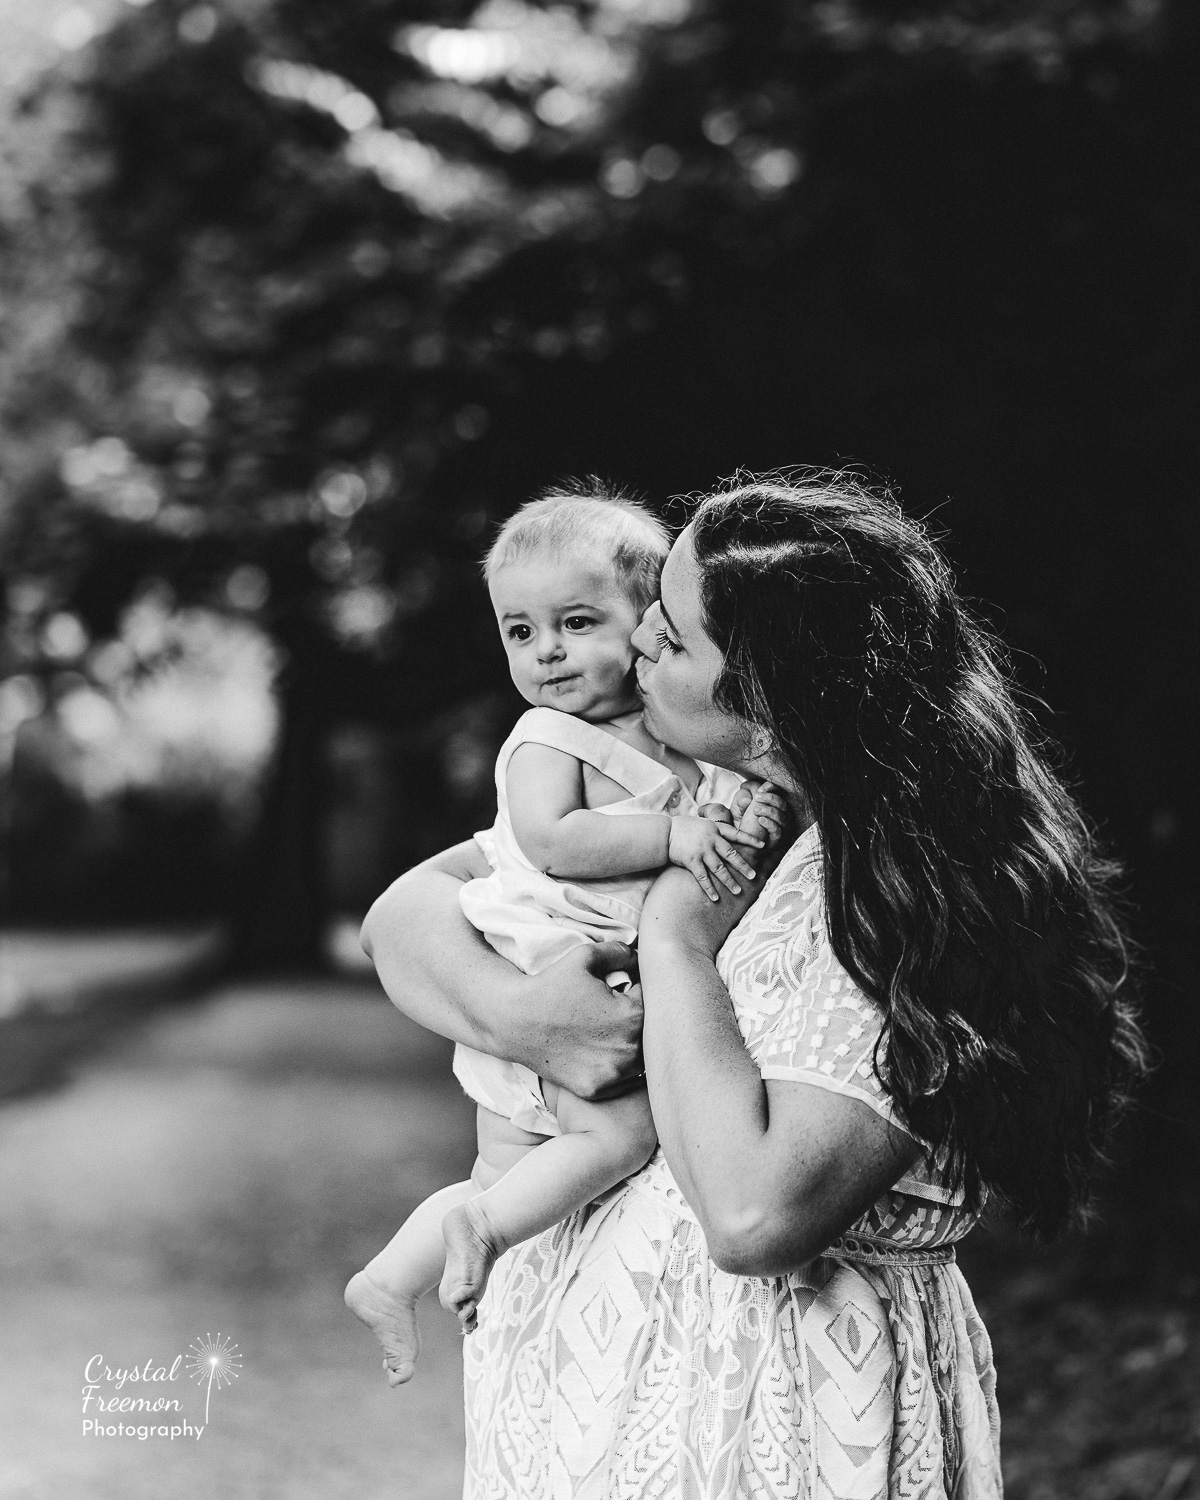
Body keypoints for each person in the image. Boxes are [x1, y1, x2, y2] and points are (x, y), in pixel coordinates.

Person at [362, 472, 1146, 1497]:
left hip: (777, 1414)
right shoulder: (697, 801)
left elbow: (755, 1217)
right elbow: (403, 916)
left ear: (775, 705)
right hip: (591, 1400)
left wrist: (677, 940)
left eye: (673, 636)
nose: (641, 640)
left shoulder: (898, 896)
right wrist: (524, 1017)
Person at [346, 486, 784, 1385]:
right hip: (553, 965)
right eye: (519, 631)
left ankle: (390, 1278)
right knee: (611, 1141)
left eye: (576, 622)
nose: (545, 650)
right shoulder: (548, 737)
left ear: (646, 623)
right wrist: (674, 836)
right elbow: (550, 840)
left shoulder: (677, 741)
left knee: (498, 1169)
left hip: (602, 976)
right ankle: (485, 1234)